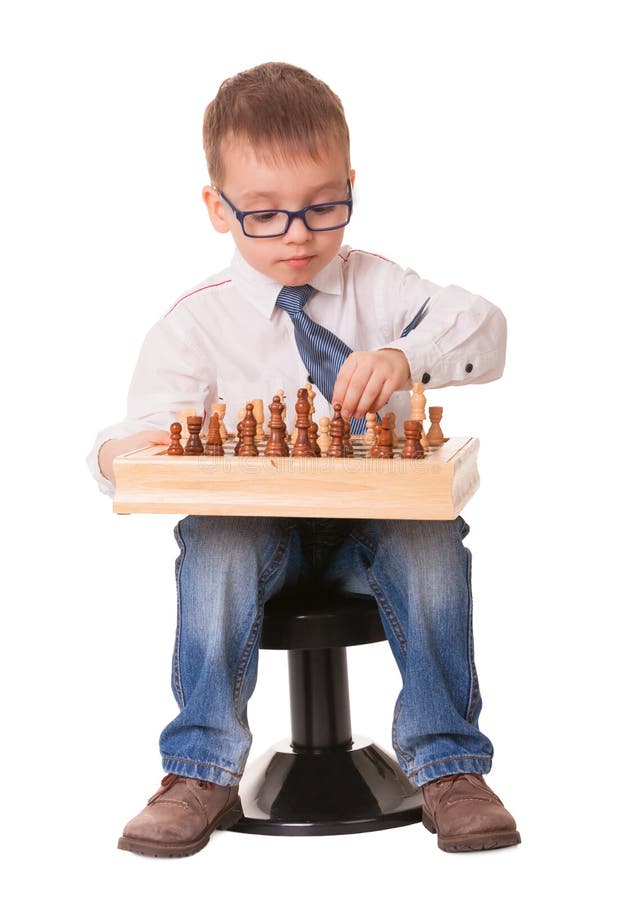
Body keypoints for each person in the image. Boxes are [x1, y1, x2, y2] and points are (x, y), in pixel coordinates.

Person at [88, 61, 520, 856]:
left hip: (375, 529)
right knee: (218, 539)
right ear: (217, 210)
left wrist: (403, 354)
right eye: (264, 213)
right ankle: (200, 770)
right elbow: (141, 433)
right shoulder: (193, 326)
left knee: (430, 535)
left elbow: (484, 328)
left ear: (351, 184)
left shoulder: (382, 288)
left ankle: (450, 765)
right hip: (258, 541)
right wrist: (122, 454)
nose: (297, 233)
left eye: (324, 206)